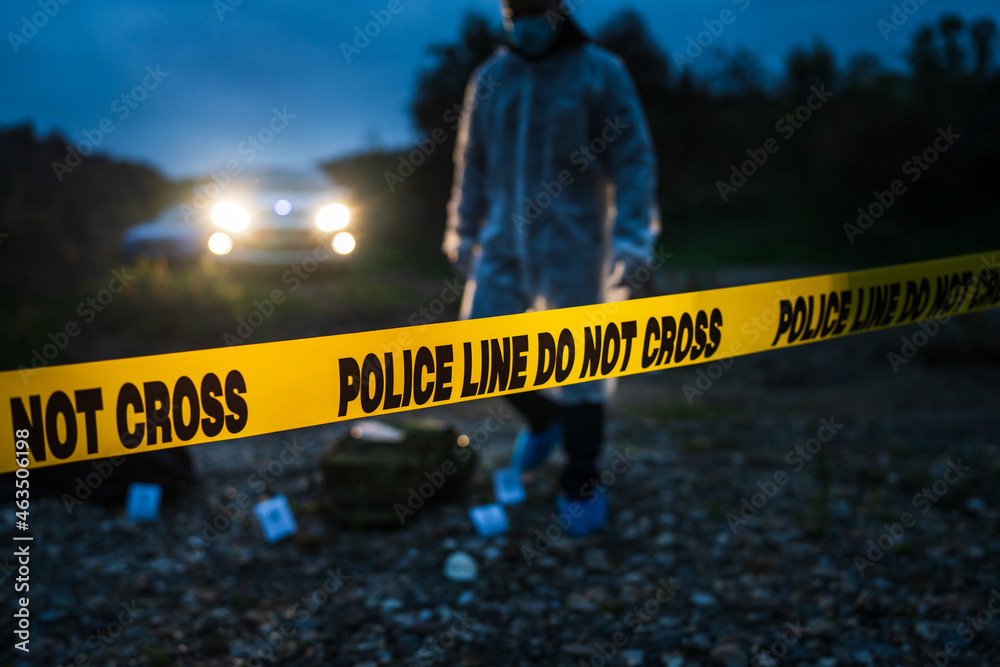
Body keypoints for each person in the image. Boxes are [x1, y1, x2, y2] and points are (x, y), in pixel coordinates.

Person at [443, 0, 660, 536]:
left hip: (577, 240)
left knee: (584, 364)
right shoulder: (492, 77)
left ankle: (581, 478)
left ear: (559, 13)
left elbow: (632, 157)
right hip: (503, 242)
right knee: (481, 345)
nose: (524, 24)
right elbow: (472, 163)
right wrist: (462, 231)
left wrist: (633, 237)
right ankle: (544, 420)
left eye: (535, 11)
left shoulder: (599, 71)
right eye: (515, 13)